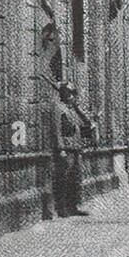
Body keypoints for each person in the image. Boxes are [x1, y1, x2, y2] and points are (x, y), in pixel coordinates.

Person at [50, 81, 88, 216]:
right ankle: (62, 208)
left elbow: (85, 123)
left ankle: (74, 206)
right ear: (64, 94)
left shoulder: (72, 109)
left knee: (76, 179)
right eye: (70, 94)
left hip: (76, 148)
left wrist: (79, 109)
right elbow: (57, 130)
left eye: (73, 94)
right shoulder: (58, 108)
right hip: (66, 148)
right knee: (64, 179)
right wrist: (61, 149)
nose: (72, 97)